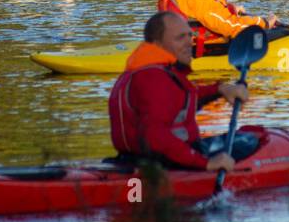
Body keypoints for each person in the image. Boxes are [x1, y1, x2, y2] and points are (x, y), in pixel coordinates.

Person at [108, 12, 256, 172]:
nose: (189, 42)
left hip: (136, 159)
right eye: (180, 38)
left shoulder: (143, 70)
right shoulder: (154, 78)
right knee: (251, 141)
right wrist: (205, 163)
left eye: (189, 36)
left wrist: (220, 89)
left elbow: (178, 99)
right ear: (157, 44)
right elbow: (156, 137)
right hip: (165, 163)